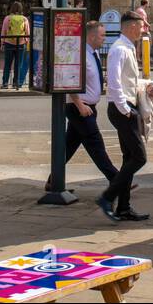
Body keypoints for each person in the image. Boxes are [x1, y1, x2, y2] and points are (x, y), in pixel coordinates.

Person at [44, 21, 119, 193]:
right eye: (102, 35)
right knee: (96, 145)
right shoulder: (80, 55)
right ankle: (117, 181)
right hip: (80, 108)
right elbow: (68, 80)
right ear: (92, 36)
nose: (104, 39)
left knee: (68, 147)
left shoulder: (93, 53)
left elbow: (92, 76)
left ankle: (52, 182)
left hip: (88, 107)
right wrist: (79, 104)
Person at [98, 9, 149, 222]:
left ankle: (123, 208)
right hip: (122, 109)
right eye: (141, 25)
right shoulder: (119, 49)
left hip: (127, 105)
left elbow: (127, 81)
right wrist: (126, 109)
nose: (143, 29)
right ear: (131, 26)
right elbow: (115, 82)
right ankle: (107, 197)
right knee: (139, 157)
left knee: (129, 157)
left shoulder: (127, 47)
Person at [0, 2, 29, 89]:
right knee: (18, 65)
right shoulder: (24, 19)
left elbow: (3, 31)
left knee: (7, 64)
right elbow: (27, 33)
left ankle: (5, 83)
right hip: (21, 44)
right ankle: (16, 83)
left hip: (9, 43)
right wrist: (26, 42)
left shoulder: (7, 18)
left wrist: (2, 43)